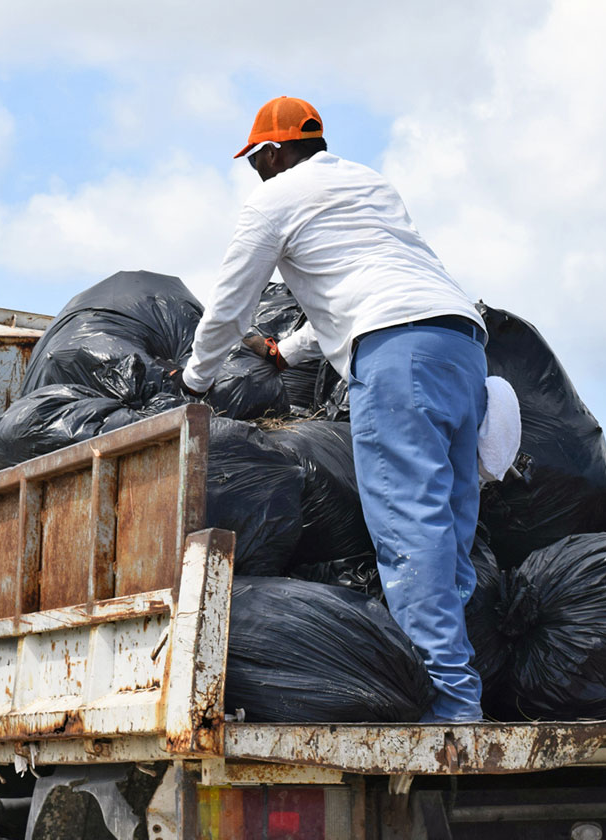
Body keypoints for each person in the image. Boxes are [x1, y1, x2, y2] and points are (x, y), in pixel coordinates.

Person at [178, 96, 488, 722]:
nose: (254, 171)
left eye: (255, 159)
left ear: (273, 152)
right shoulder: (369, 184)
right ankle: (463, 681)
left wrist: (195, 380)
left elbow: (230, 308)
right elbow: (364, 285)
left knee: (409, 526)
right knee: (451, 529)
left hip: (396, 356)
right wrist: (286, 352)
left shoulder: (273, 199)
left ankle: (451, 705)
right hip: (462, 345)